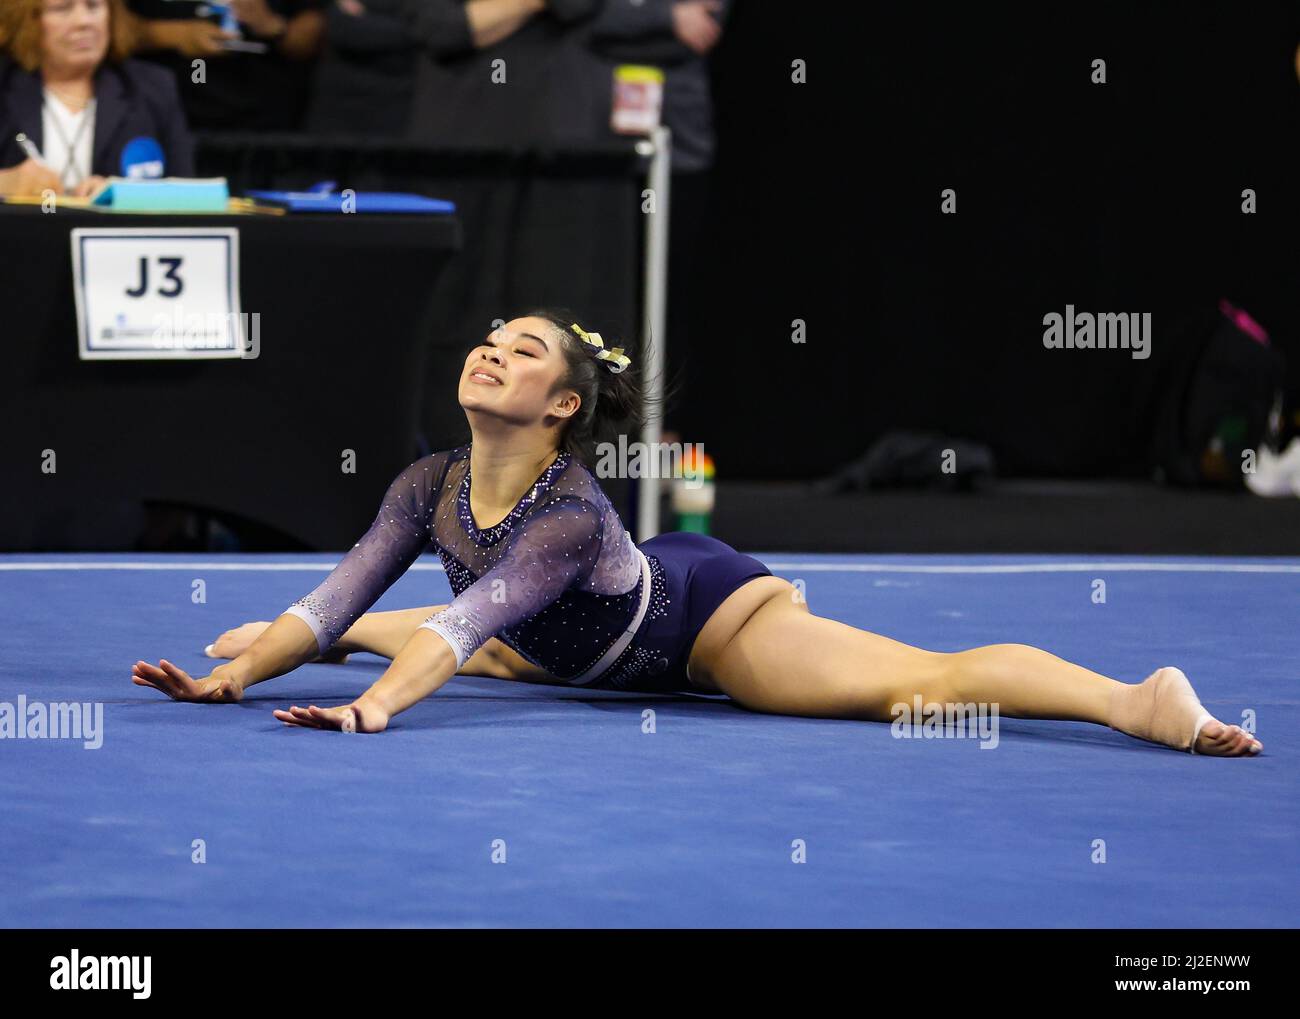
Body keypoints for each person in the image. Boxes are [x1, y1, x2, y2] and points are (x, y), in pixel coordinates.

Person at [132, 310, 1263, 757]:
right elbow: (329, 595)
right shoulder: (425, 482)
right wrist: (231, 677)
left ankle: (1135, 697)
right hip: (562, 633)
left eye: (522, 350)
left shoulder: (567, 513)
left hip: (697, 622)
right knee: (384, 627)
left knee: (920, 689)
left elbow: (470, 620)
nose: (491, 350)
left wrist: (372, 707)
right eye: (487, 338)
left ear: (564, 405)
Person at [0, 0, 193, 197]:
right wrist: (4, 183)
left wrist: (122, 195)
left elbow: (189, 198)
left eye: (93, 6)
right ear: (27, 21)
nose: (83, 21)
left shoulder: (153, 88)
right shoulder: (5, 82)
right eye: (62, 9)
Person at [126, 0, 325, 131]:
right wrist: (174, 34)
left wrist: (274, 26)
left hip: (269, 129)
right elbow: (108, 20)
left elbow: (316, 26)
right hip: (163, 119)